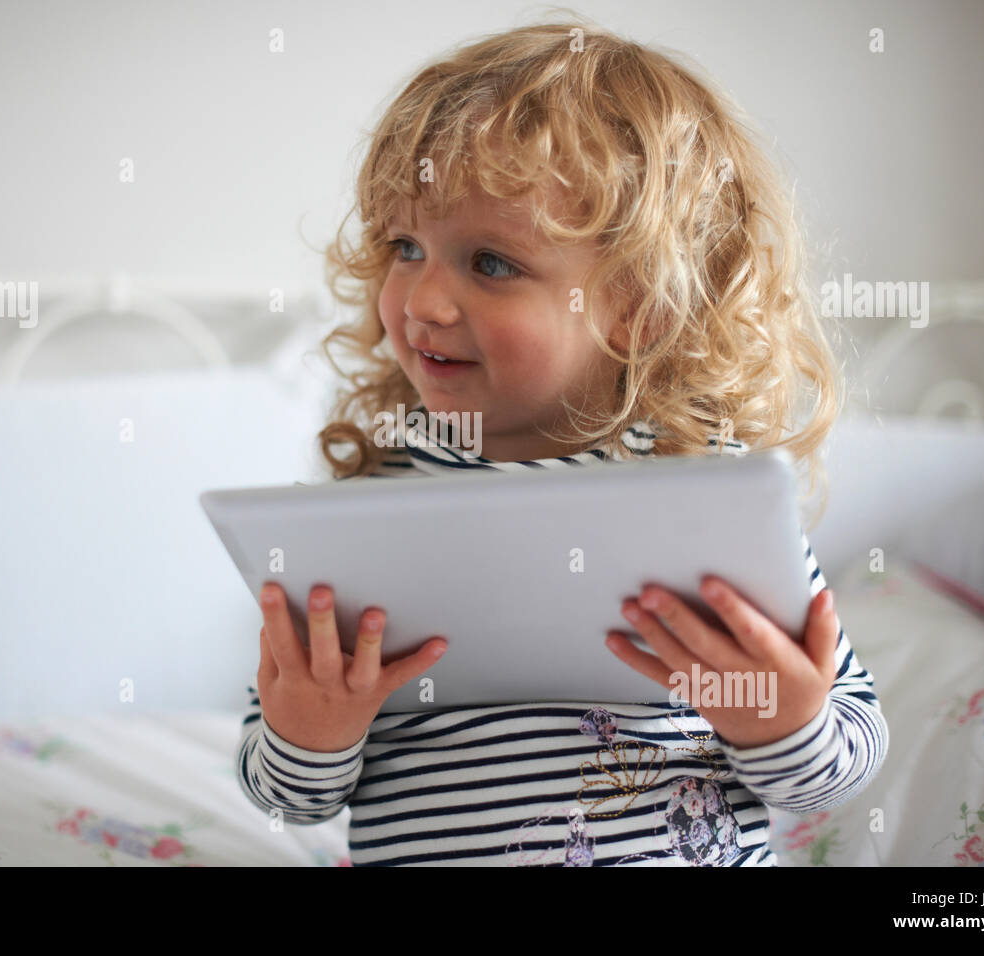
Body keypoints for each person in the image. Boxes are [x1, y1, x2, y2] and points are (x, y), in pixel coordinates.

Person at [236, 19, 887, 866]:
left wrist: (778, 720)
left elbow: (842, 759)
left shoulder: (703, 500)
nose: (423, 301)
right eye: (405, 247)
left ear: (641, 307)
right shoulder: (374, 512)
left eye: (491, 264)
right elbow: (284, 790)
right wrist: (311, 732)